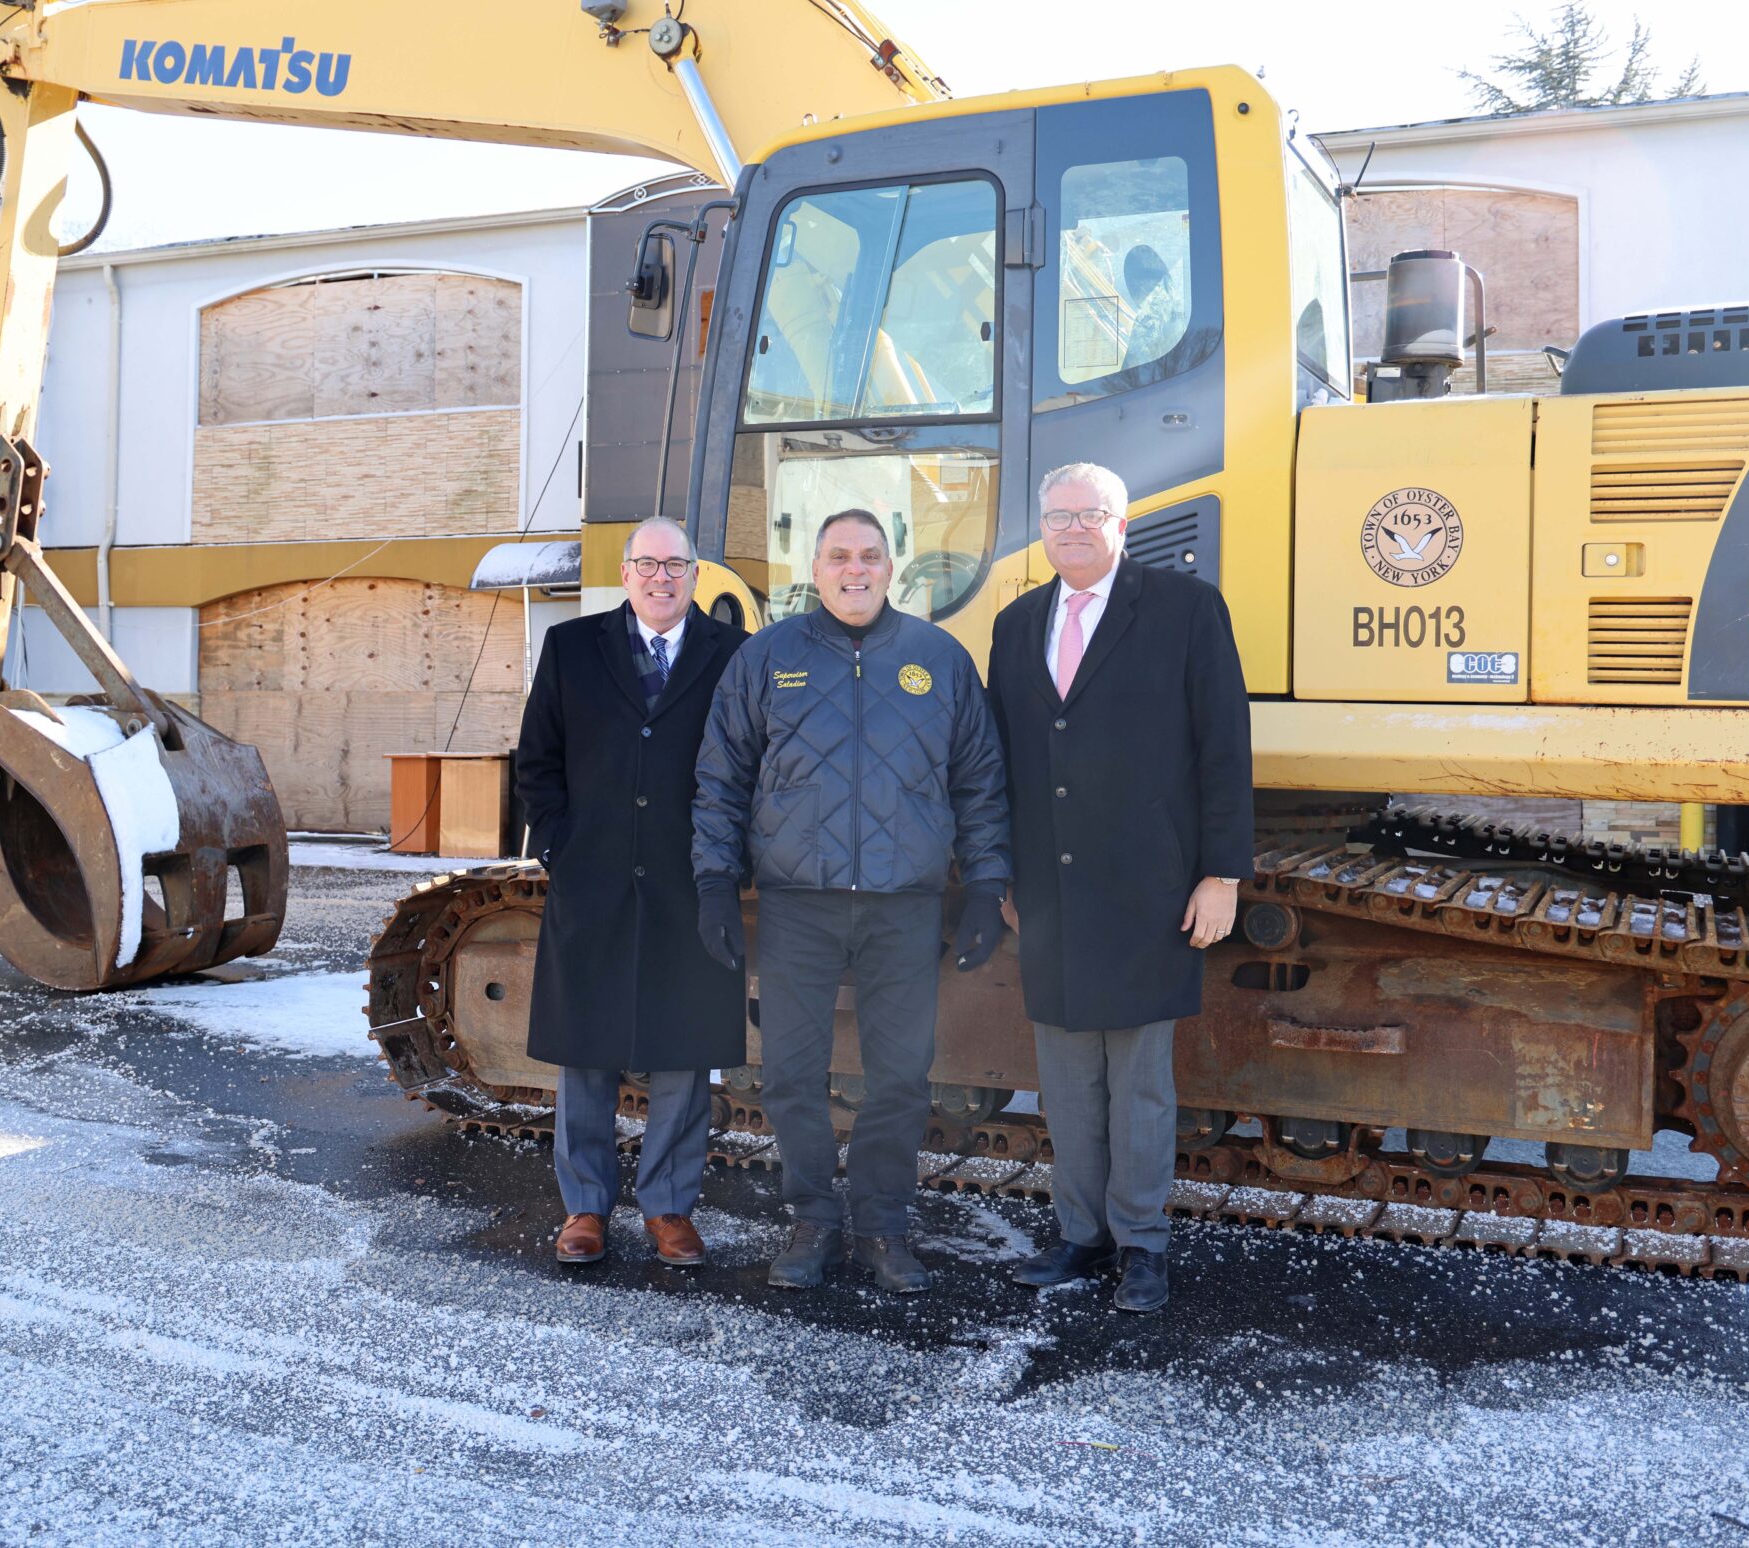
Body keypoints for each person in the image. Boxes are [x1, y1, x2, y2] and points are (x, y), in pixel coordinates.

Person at [692, 508, 1011, 1294]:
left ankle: (883, 1225)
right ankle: (811, 1219)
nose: (855, 569)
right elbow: (721, 779)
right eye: (839, 556)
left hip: (905, 906)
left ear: (891, 564)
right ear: (816, 566)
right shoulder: (768, 657)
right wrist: (713, 881)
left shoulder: (938, 659)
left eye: (869, 555)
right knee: (792, 1074)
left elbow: (979, 784)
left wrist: (987, 885)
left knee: (901, 1076)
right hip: (799, 904)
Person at [987, 462, 1253, 1313]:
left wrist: (1221, 874)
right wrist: (1001, 874)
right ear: (1042, 526)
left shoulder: (1184, 611)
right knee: (1065, 1080)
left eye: (1089, 514)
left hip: (1150, 886)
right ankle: (1080, 1236)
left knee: (1138, 1081)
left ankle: (1143, 1244)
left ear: (1122, 524)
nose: (1071, 528)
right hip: (1051, 891)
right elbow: (1003, 763)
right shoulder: (1016, 622)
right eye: (1057, 515)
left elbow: (1224, 748)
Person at [514, 516, 747, 1268]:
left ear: (694, 574)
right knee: (587, 1045)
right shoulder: (572, 648)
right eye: (646, 564)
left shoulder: (732, 656)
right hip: (595, 878)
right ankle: (585, 1205)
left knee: (683, 1048)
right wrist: (560, 845)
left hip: (691, 883)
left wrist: (730, 861)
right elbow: (537, 761)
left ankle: (669, 1207)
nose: (660, 578)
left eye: (674, 565)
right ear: (625, 573)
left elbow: (750, 766)